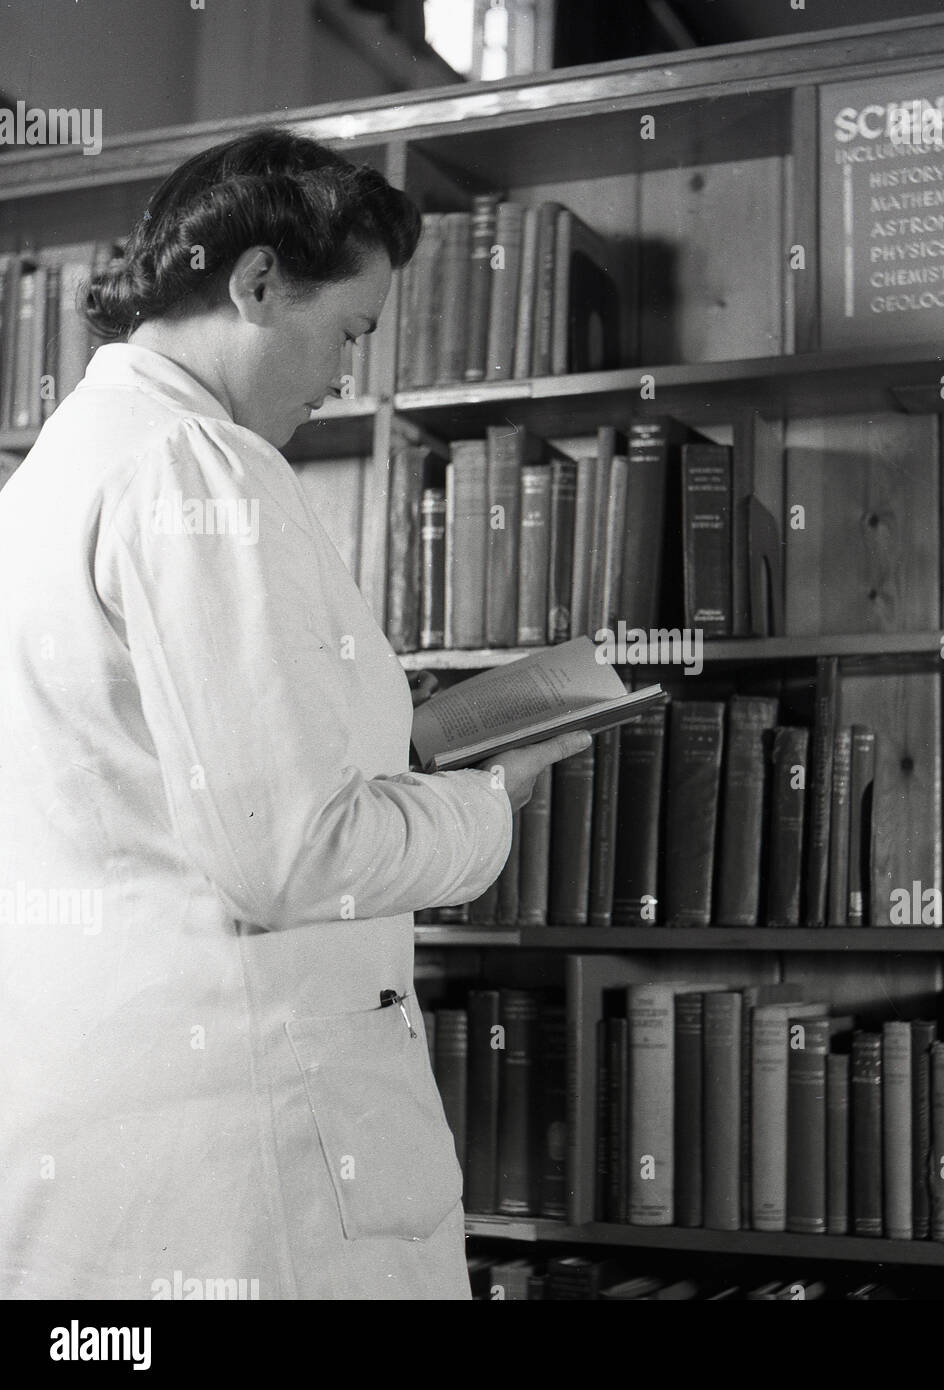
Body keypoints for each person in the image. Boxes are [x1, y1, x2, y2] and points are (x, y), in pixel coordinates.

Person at [0, 128, 587, 1300]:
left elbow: (150, 778)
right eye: (350, 332)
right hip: (246, 1152)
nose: (348, 379)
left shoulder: (50, 473)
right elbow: (285, 854)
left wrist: (388, 743)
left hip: (90, 1126)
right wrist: (486, 800)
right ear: (257, 282)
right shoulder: (202, 469)